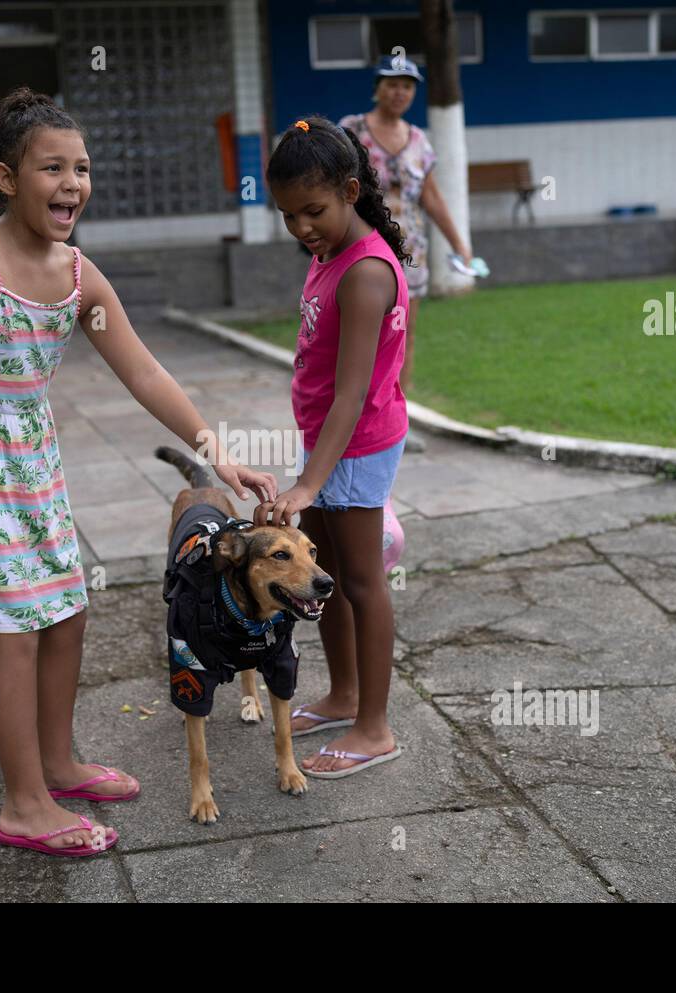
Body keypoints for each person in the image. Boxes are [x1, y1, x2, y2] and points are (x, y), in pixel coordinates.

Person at [0, 88, 277, 854]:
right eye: (52, 168)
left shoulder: (77, 275)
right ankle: (23, 802)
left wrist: (217, 449)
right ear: (6, 178)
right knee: (16, 629)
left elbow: (142, 372)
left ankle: (58, 758)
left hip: (33, 464)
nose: (73, 183)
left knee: (68, 611)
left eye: (82, 167)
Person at [255, 116, 407, 778]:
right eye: (288, 215)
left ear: (350, 190)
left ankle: (375, 727)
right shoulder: (330, 256)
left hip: (352, 446)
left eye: (313, 211)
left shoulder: (364, 273)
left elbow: (353, 394)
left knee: (364, 583)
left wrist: (309, 484)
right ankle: (345, 693)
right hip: (331, 446)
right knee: (328, 580)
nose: (302, 227)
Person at [339, 56, 473, 452]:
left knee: (400, 338)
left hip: (408, 256)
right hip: (358, 254)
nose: (400, 92)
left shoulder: (419, 140)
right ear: (377, 87)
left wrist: (459, 245)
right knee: (349, 335)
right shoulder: (351, 130)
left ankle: (394, 421)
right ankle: (346, 419)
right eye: (392, 83)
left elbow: (431, 196)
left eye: (408, 86)